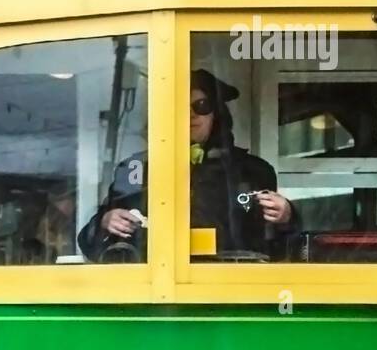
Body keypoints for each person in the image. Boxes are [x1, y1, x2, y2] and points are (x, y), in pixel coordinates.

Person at [78, 69, 295, 261]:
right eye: (180, 106)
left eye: (201, 105)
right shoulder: (136, 167)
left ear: (216, 114)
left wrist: (287, 216)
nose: (190, 114)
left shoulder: (254, 170)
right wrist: (106, 222)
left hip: (232, 290)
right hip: (155, 293)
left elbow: (280, 249)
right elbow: (90, 242)